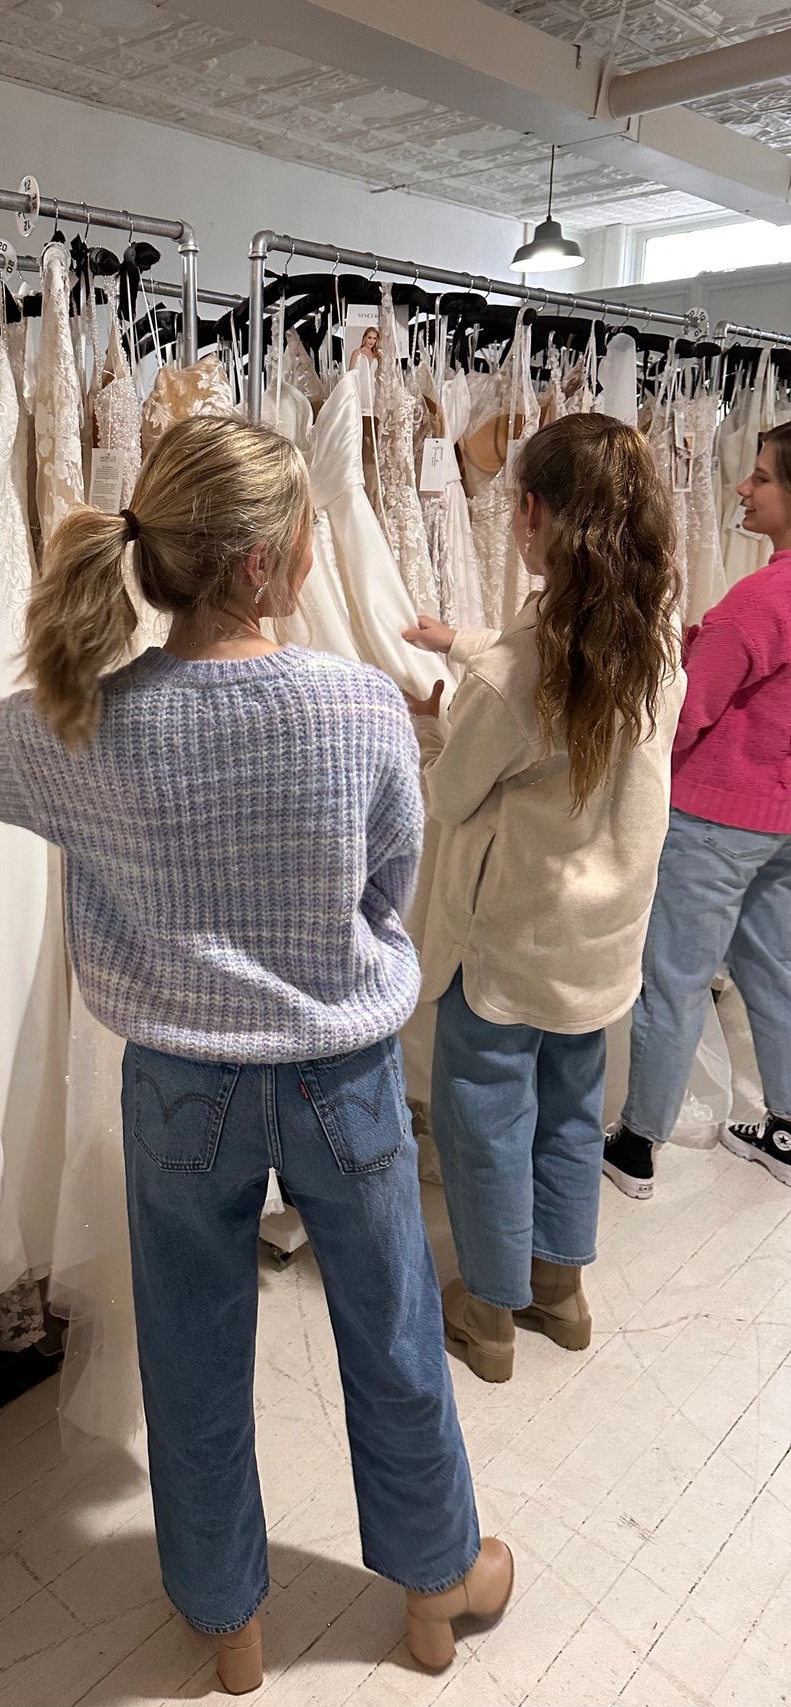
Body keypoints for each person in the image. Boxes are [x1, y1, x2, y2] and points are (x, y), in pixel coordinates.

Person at [0, 417, 511, 1691]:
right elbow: (387, 880)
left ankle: (228, 1625)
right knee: (389, 1329)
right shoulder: (358, 706)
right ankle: (434, 1588)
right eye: (307, 534)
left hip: (177, 1087)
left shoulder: (85, 725)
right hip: (340, 1078)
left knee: (191, 1351)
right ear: (263, 564)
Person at [402, 413, 684, 1384]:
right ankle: (559, 1292)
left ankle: (486, 1312)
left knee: (484, 1116)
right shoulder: (656, 642)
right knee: (570, 1106)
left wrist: (438, 711)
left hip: (508, 945)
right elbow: (558, 667)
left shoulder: (510, 674)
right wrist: (466, 644)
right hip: (600, 939)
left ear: (528, 513)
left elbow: (452, 792)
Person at [604, 424, 791, 1198]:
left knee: (674, 979)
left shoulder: (761, 600)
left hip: (718, 816)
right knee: (775, 971)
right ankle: (786, 1129)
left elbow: (687, 713)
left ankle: (637, 1143)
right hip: (780, 816)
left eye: (762, 478)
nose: (743, 488)